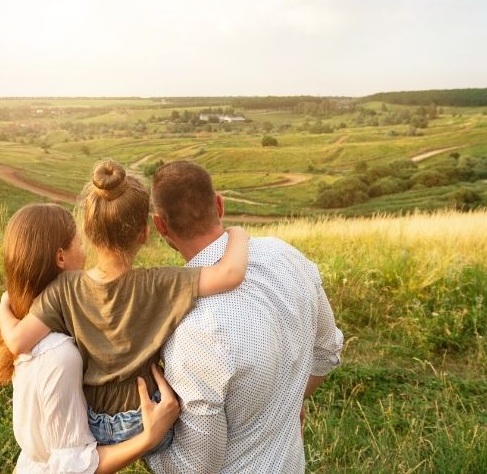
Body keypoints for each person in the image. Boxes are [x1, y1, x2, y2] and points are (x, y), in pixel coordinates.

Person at [0, 160, 250, 453]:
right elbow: (230, 274)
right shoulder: (159, 282)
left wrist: (5, 304)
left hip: (94, 423)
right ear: (143, 234)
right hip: (145, 418)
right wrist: (238, 233)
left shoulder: (64, 288)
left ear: (89, 233)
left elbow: (17, 341)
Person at [145, 160, 344, 473]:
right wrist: (286, 401)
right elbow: (327, 350)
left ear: (161, 225)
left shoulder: (193, 326)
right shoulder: (287, 256)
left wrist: (149, 444)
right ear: (220, 205)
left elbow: (197, 467)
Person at [0, 203, 181, 473]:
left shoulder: (24, 324)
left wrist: (3, 304)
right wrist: (150, 437)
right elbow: (74, 466)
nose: (85, 250)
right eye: (78, 242)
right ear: (61, 257)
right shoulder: (59, 355)